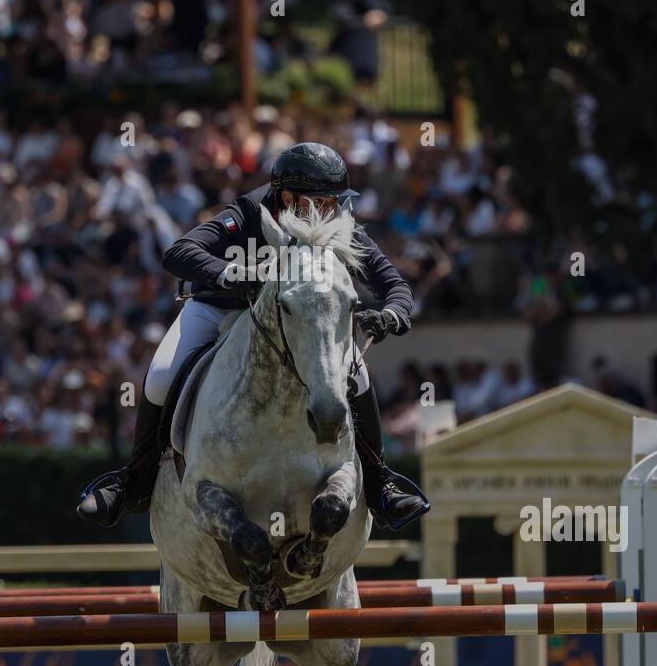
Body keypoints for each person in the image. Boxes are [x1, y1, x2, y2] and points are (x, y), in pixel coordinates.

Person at [77, 142, 430, 531]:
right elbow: (180, 251)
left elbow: (392, 283)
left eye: (334, 203)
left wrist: (392, 313)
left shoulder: (339, 227)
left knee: (357, 376)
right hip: (219, 309)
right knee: (162, 375)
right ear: (286, 197)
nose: (329, 213)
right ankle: (132, 482)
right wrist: (228, 272)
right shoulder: (247, 213)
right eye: (320, 203)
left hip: (296, 324)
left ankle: (382, 484)